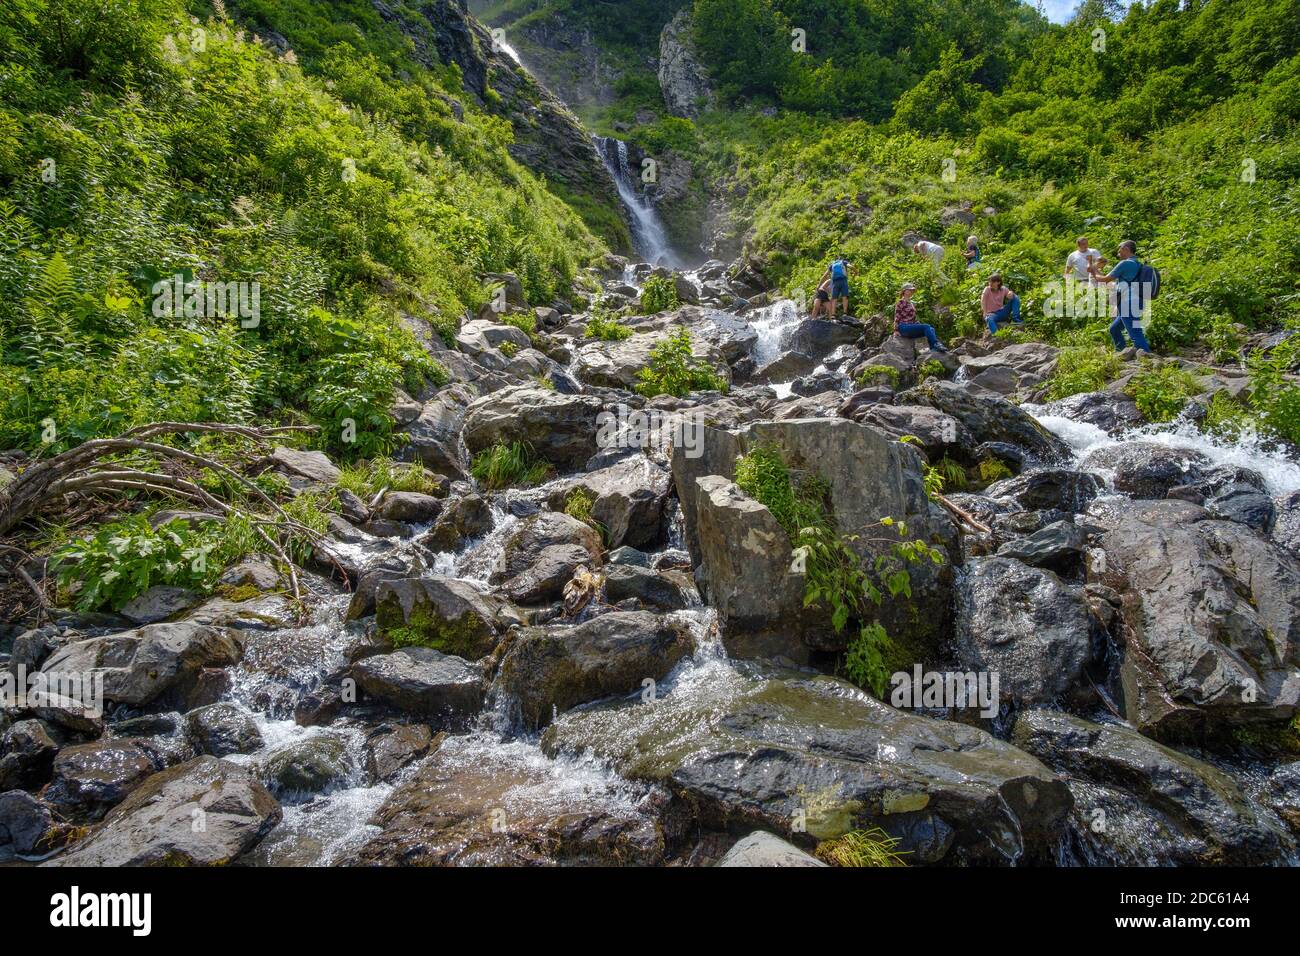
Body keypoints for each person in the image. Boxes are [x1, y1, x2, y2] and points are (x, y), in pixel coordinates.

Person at [1092, 239, 1152, 354]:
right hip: (1137, 301)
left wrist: (1094, 270)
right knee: (1114, 329)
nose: (1118, 253)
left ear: (1126, 249)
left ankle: (1147, 358)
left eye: (1120, 250)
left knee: (1135, 333)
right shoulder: (1138, 264)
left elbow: (1104, 280)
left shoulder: (1125, 263)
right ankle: (1122, 353)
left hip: (1128, 303)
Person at [894, 282, 948, 352]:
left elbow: (913, 318)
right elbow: (897, 316)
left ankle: (933, 349)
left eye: (912, 290)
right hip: (903, 327)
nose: (912, 292)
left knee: (931, 329)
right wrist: (895, 330)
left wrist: (919, 325)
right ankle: (936, 344)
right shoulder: (900, 302)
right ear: (905, 291)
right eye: (910, 290)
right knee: (926, 326)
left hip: (911, 326)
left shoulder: (911, 303)